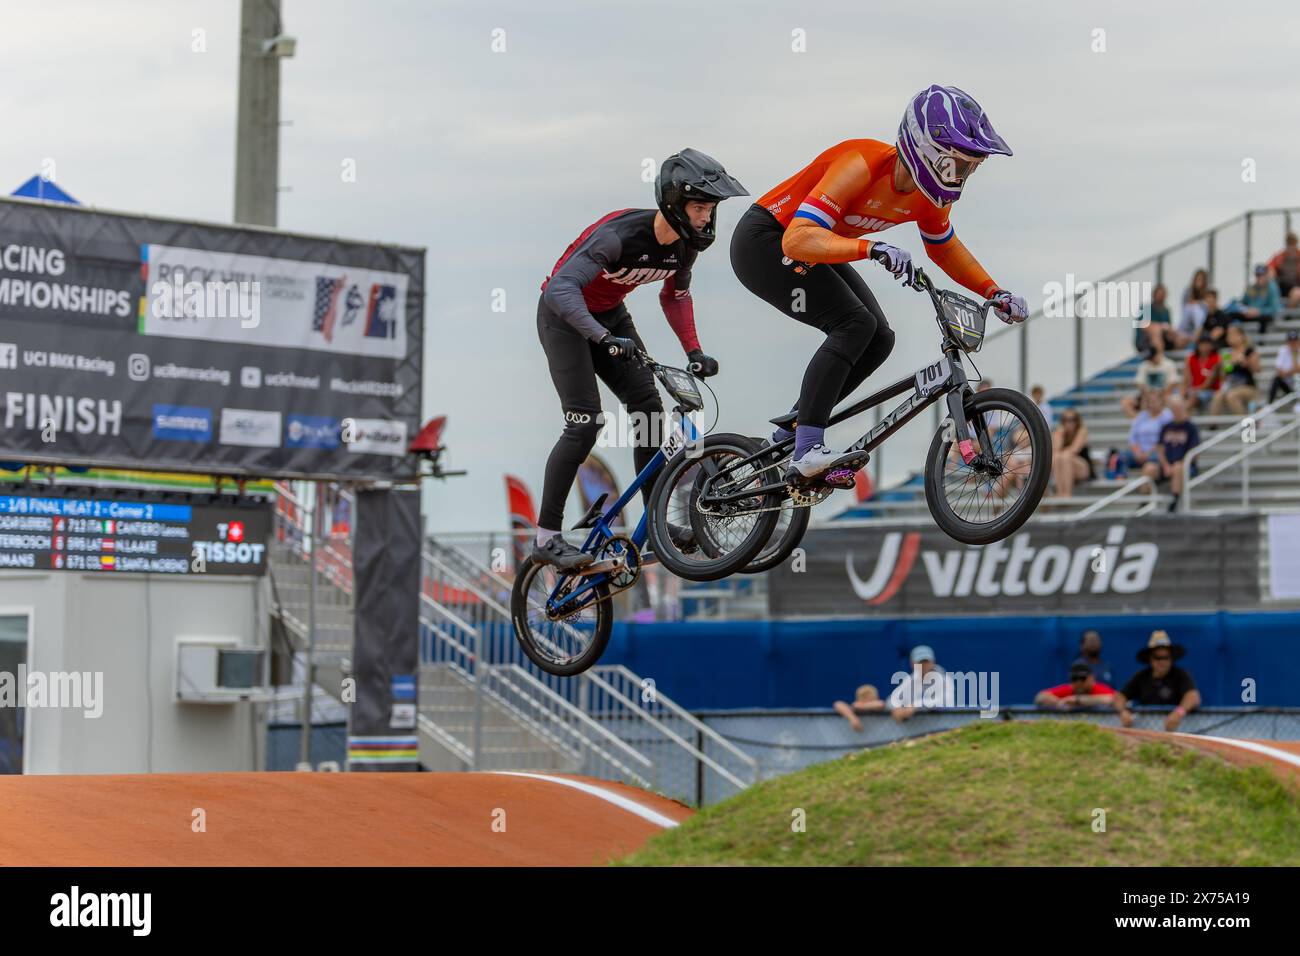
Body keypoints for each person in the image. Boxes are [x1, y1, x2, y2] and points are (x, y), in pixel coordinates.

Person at [731, 85, 1027, 483]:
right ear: (929, 152)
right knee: (853, 324)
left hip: (811, 247)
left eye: (971, 168)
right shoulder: (861, 163)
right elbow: (796, 239)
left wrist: (995, 291)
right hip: (766, 241)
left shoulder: (931, 197)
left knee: (879, 337)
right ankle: (807, 448)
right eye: (960, 165)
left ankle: (790, 434)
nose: (964, 176)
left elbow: (944, 247)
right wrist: (871, 248)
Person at [532, 149, 748, 569]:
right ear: (673, 202)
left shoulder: (685, 248)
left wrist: (694, 351)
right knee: (585, 421)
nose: (707, 218)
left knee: (649, 408)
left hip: (610, 317)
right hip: (564, 317)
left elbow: (675, 296)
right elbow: (560, 290)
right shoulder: (619, 236)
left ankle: (656, 522)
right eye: (700, 207)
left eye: (710, 209)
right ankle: (546, 536)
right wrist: (602, 337)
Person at [1114, 630, 1201, 732]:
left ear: (1171, 659)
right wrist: (1123, 712)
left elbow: (1193, 696)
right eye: (1157, 657)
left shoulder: (1180, 675)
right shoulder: (1141, 676)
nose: (1162, 662)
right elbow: (1120, 696)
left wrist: (1178, 713)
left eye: (1165, 657)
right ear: (1150, 659)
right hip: (1146, 732)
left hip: (1175, 732)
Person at [1141, 397, 1199, 511]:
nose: (1176, 411)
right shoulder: (1166, 427)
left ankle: (1174, 502)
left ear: (1184, 409)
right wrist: (1166, 465)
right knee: (1149, 468)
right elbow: (1160, 449)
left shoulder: (1191, 428)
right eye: (1174, 409)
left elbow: (1194, 453)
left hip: (1185, 466)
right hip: (1166, 465)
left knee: (1178, 467)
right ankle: (1145, 502)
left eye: (1179, 408)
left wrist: (1179, 464)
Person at [1209, 324, 1261, 416]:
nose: (1230, 337)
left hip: (1248, 387)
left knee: (1232, 396)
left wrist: (1247, 362)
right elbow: (1224, 375)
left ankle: (1244, 425)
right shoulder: (1227, 354)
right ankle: (1212, 426)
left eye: (1233, 334)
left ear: (1241, 336)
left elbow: (1257, 370)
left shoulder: (1249, 351)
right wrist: (1223, 366)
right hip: (1231, 385)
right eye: (1229, 335)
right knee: (1217, 396)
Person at [1121, 340, 1180, 417]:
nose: (1150, 360)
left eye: (1151, 358)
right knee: (1126, 402)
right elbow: (1139, 383)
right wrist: (1149, 395)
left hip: (1164, 394)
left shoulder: (1169, 364)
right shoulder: (1145, 365)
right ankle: (1139, 422)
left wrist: (1159, 395)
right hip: (1147, 395)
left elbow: (1173, 383)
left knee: (1174, 401)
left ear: (1156, 355)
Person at [1034, 661, 1116, 711]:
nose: (1078, 682)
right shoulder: (1068, 689)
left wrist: (1077, 700)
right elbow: (1040, 697)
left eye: (1082, 678)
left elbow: (1116, 699)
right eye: (1074, 678)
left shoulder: (1099, 688)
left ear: (1092, 678)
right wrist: (1060, 703)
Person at [1124, 390, 1173, 473]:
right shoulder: (1141, 416)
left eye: (1154, 401)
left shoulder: (1168, 416)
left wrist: (1148, 453)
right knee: (1120, 457)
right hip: (1139, 453)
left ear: (1161, 401)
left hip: (1157, 453)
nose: (1152, 404)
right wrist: (1138, 452)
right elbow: (1133, 438)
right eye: (1150, 401)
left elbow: (1165, 441)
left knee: (1154, 460)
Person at [1050, 409, 1093, 498]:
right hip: (1065, 466)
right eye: (1065, 420)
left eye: (1072, 419)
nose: (1069, 423)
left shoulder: (1082, 431)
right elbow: (1055, 451)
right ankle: (1060, 492)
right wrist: (1060, 435)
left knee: (1065, 456)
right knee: (1057, 456)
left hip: (1082, 468)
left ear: (1077, 421)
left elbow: (1074, 450)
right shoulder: (1059, 432)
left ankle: (1067, 493)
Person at [1227, 264, 1281, 335]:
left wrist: (1259, 311)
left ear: (1266, 275)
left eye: (1262, 275)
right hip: (1249, 314)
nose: (1259, 277)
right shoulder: (1251, 288)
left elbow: (1275, 309)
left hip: (1263, 316)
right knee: (1230, 315)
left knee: (1265, 319)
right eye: (1257, 275)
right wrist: (1245, 310)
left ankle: (1261, 342)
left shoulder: (1272, 288)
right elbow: (1243, 302)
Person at [1135, 284, 1183, 352]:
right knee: (1156, 330)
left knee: (1180, 336)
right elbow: (1143, 325)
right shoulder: (1146, 308)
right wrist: (1161, 327)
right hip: (1145, 340)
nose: (1161, 297)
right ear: (1154, 295)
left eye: (1163, 295)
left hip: (1164, 340)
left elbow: (1168, 327)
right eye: (1159, 294)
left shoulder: (1166, 311)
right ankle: (1158, 357)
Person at [1182, 334, 1221, 412]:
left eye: (1207, 344)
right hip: (1194, 390)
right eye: (1202, 344)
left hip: (1210, 391)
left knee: (1193, 396)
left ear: (1212, 345)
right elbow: (1186, 379)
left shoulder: (1216, 359)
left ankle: (1182, 414)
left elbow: (1208, 383)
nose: (1205, 346)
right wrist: (1183, 392)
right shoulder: (1191, 358)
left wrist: (1194, 390)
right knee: (1177, 395)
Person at [1267, 232, 1300, 304]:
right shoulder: (1280, 256)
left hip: (1295, 285)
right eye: (1289, 243)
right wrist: (1271, 272)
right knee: (1270, 286)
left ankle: (1287, 313)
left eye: (1293, 243)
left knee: (1296, 293)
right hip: (1281, 285)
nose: (1291, 246)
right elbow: (1269, 267)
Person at [1269, 329, 1300, 404]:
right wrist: (1292, 371)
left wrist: (1288, 372)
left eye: (1294, 340)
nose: (1293, 343)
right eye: (1291, 341)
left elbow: (1297, 370)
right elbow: (1279, 371)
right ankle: (1269, 404)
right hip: (1288, 384)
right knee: (1277, 379)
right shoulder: (1283, 350)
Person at [1179, 268, 1210, 336]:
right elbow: (1186, 305)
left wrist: (1197, 303)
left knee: (1196, 309)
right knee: (1191, 308)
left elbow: (1206, 306)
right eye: (1198, 279)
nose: (1199, 281)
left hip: (1202, 316)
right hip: (1188, 317)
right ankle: (1182, 331)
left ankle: (1198, 331)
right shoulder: (1188, 291)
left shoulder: (1207, 292)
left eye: (1201, 279)